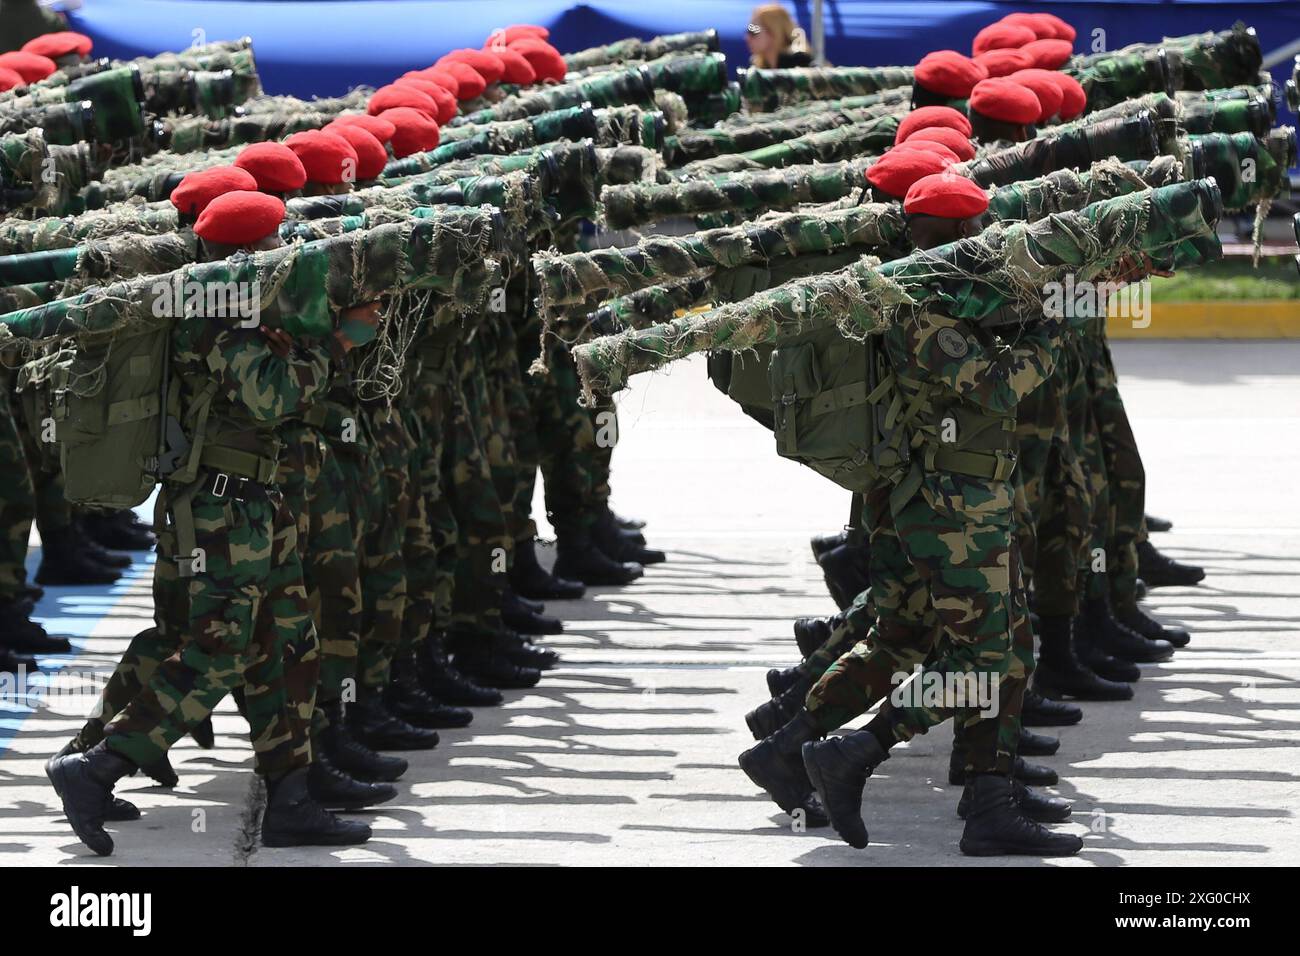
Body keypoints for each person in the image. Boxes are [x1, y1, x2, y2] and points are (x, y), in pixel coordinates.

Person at [745, 4, 813, 69]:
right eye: (748, 30)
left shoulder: (800, 61)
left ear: (773, 31)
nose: (747, 38)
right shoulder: (757, 67)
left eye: (753, 31)